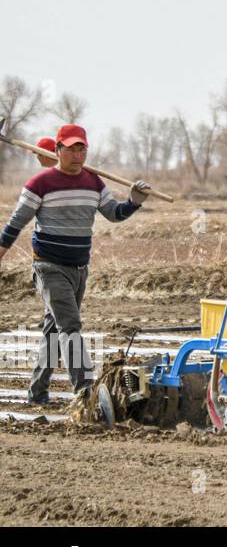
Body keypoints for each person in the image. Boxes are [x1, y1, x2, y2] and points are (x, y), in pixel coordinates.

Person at [0, 124, 151, 404]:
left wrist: (133, 202)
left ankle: (37, 392)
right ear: (57, 150)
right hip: (49, 267)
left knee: (54, 330)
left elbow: (114, 214)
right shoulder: (40, 184)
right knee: (70, 326)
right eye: (71, 148)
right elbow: (15, 224)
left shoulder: (94, 183)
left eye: (81, 148)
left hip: (79, 268)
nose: (77, 153)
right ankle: (85, 390)